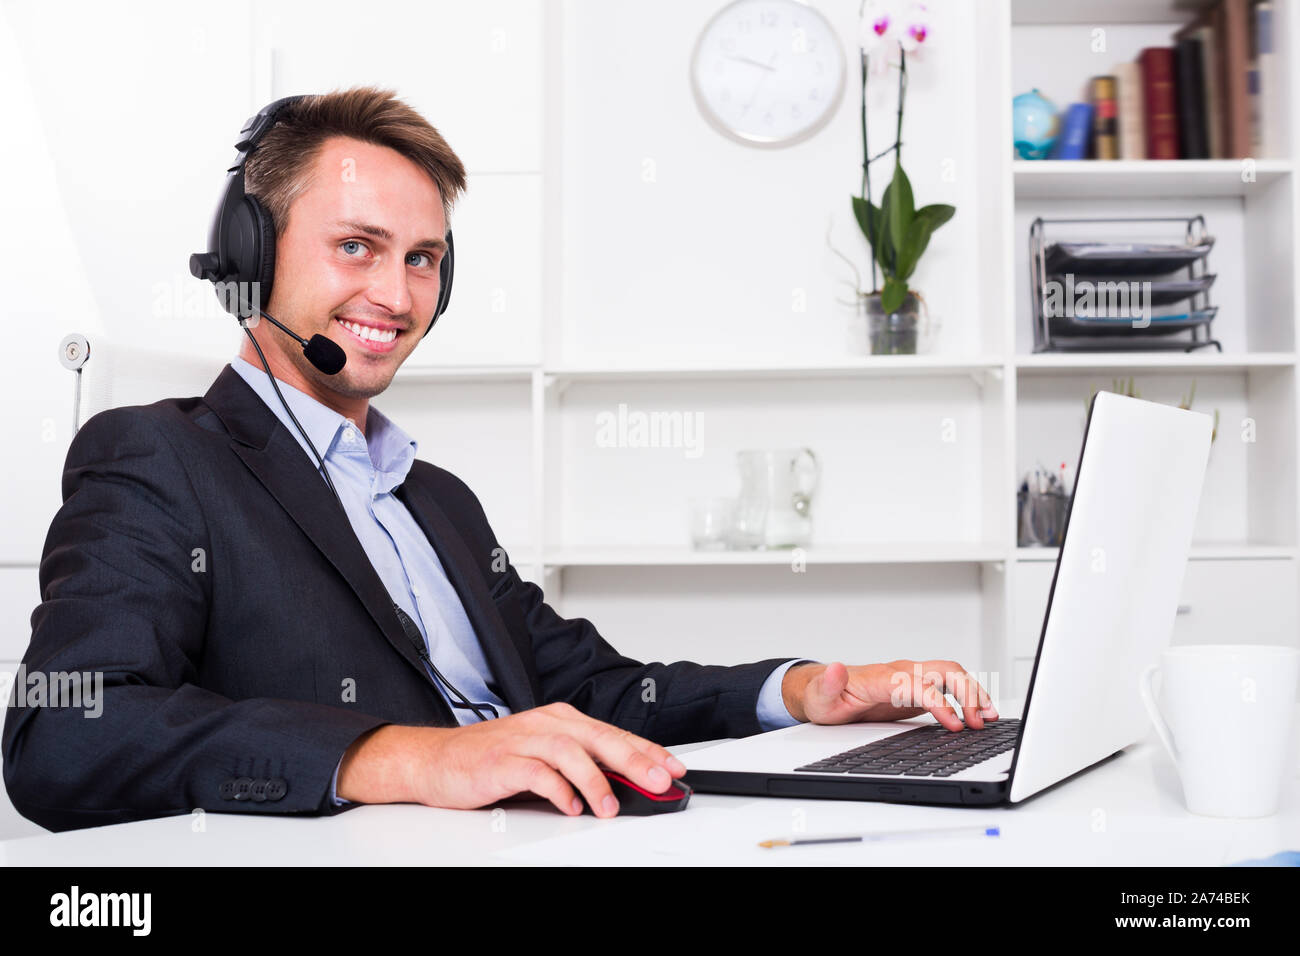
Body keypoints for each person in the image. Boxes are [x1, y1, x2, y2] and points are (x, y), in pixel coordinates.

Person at [2, 87, 997, 833]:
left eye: (424, 257)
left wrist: (804, 689)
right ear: (251, 255)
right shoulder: (158, 456)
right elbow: (67, 733)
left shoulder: (436, 498)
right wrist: (401, 755)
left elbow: (593, 689)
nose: (396, 292)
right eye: (357, 245)